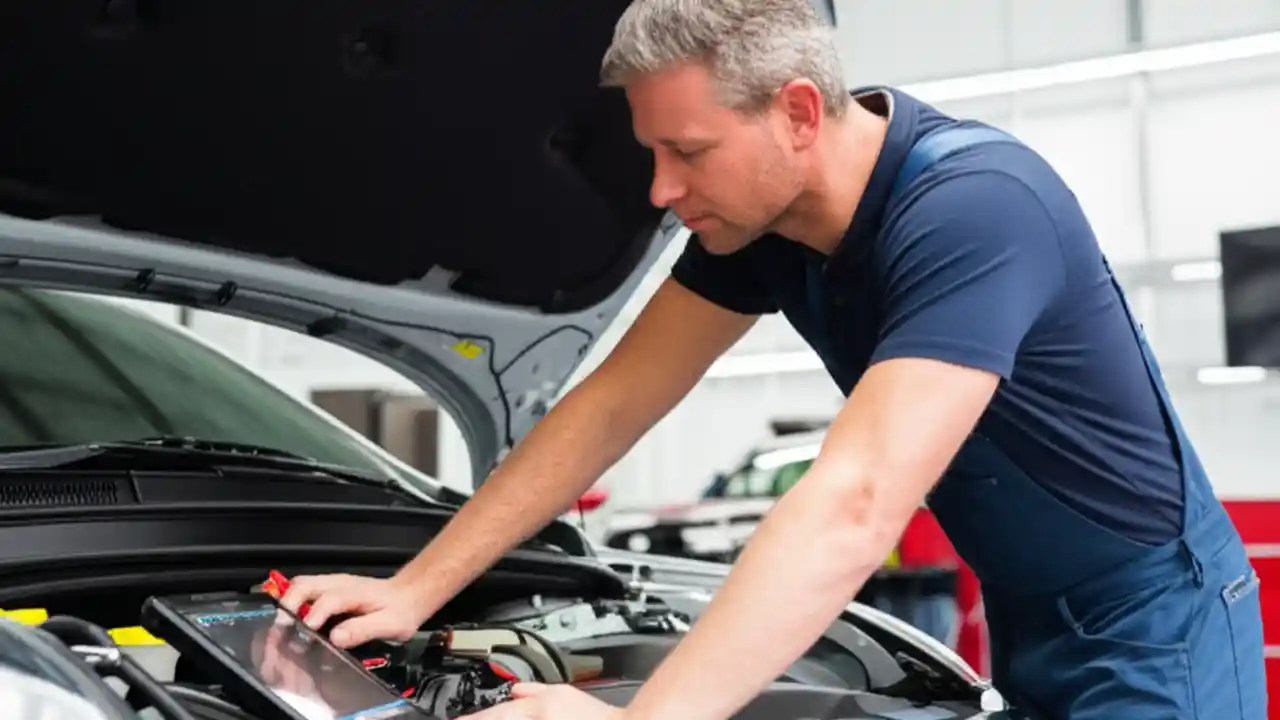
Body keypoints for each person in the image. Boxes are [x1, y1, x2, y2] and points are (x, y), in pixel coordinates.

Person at [280, 1, 1268, 718]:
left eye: (688, 151)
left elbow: (855, 503)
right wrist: (417, 587)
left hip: (1157, 625)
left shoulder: (975, 209)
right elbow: (610, 404)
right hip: (1027, 612)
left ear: (797, 112)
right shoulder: (761, 228)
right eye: (651, 154)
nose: (661, 190)